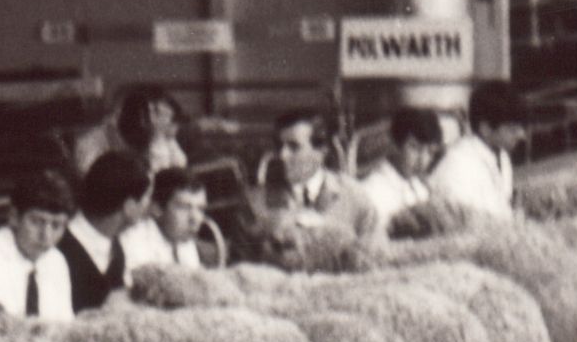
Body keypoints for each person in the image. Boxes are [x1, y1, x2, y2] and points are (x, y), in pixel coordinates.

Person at [0, 171, 77, 322]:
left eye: (56, 225)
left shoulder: (56, 261)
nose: (46, 236)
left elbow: (65, 327)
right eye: (37, 221)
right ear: (14, 217)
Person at [254, 110, 379, 248]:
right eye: (279, 147)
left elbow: (377, 255)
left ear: (322, 151)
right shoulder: (257, 204)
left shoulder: (353, 195)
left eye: (294, 147)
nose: (282, 155)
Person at [58, 153, 150, 310]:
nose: (149, 204)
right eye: (147, 196)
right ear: (129, 207)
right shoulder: (60, 248)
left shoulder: (116, 246)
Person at [426, 83, 530, 219]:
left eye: (522, 127)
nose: (522, 135)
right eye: (512, 129)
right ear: (485, 128)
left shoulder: (501, 156)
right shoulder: (459, 166)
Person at [122, 167, 227, 273]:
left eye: (200, 209)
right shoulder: (133, 245)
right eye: (184, 207)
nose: (195, 218)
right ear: (156, 208)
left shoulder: (184, 242)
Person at [72, 83, 188, 177]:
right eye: (153, 112)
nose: (153, 122)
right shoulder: (89, 145)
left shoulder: (157, 136)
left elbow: (177, 174)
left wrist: (163, 140)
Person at [359, 108, 446, 221]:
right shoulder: (372, 191)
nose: (423, 160)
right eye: (415, 148)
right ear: (394, 145)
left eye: (430, 151)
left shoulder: (420, 189)